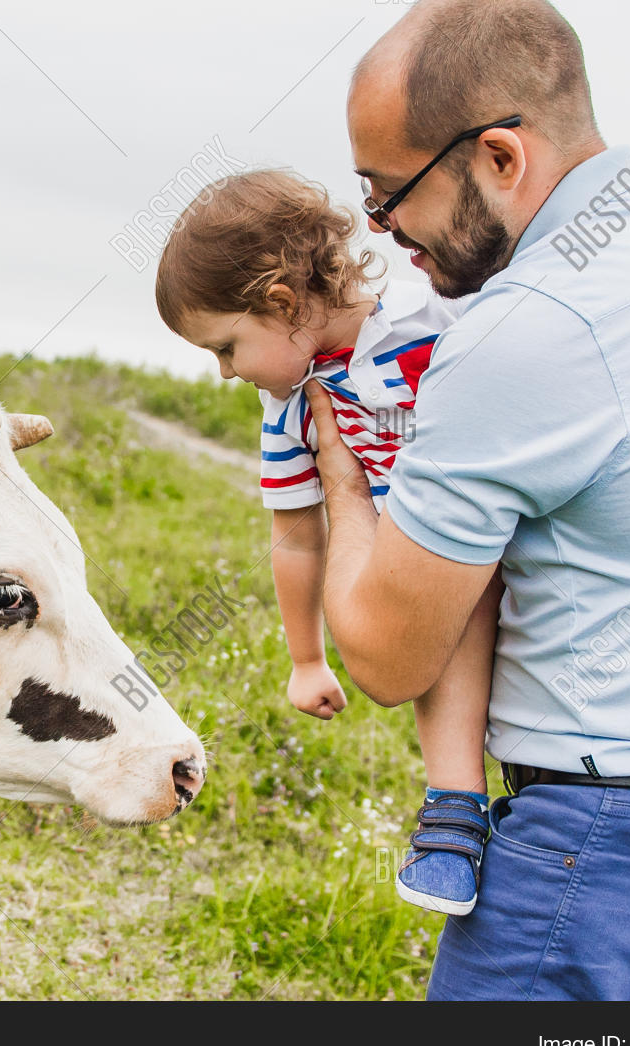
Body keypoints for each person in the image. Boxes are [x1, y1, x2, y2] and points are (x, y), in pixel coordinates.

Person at [308, 0, 630, 998]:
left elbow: (388, 655)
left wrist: (344, 485)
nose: (381, 229)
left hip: (614, 859)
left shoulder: (532, 327)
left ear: (499, 158)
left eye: (389, 193)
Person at [155, 169, 502, 915]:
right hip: (432, 562)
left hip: (521, 534)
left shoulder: (439, 313)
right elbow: (296, 539)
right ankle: (454, 810)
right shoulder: (290, 411)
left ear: (282, 303)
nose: (225, 373)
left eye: (227, 347)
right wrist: (306, 658)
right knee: (446, 612)